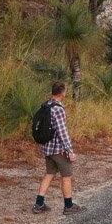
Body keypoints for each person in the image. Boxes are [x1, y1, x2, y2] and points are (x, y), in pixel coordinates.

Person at [33, 80, 82, 215]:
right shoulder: (58, 109)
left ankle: (38, 204)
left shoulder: (46, 105)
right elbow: (62, 132)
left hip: (47, 148)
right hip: (58, 150)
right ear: (63, 93)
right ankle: (68, 206)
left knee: (49, 174)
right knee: (66, 176)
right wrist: (70, 151)